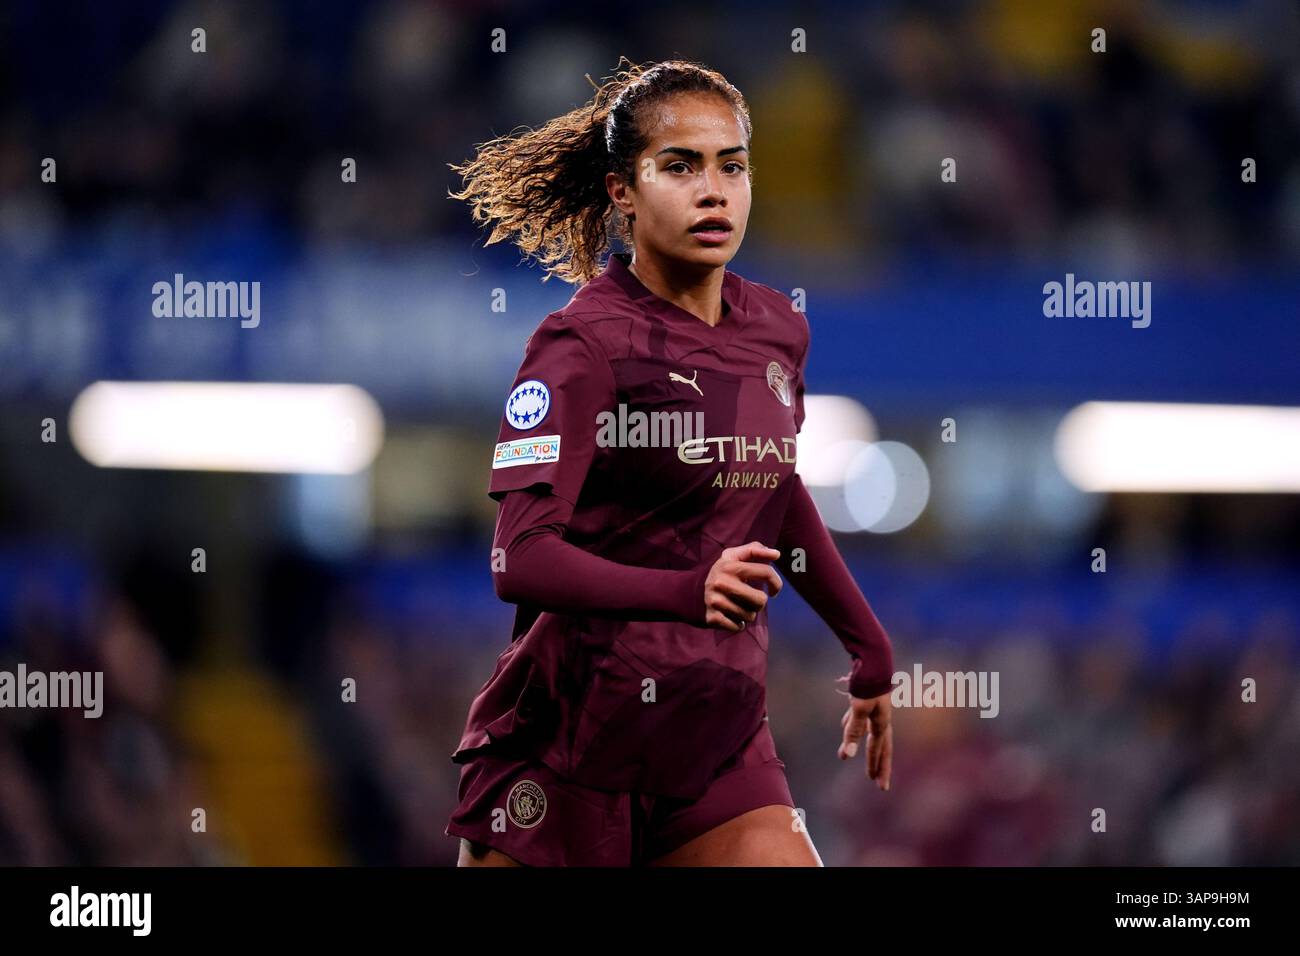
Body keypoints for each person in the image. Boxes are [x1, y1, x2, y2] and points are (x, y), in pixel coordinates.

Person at [444, 57, 894, 867]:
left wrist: (867, 647)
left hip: (713, 743)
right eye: (679, 167)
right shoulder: (580, 346)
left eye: (733, 166)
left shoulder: (778, 330)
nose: (713, 191)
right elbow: (519, 560)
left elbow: (772, 489)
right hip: (570, 745)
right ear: (623, 191)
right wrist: (687, 592)